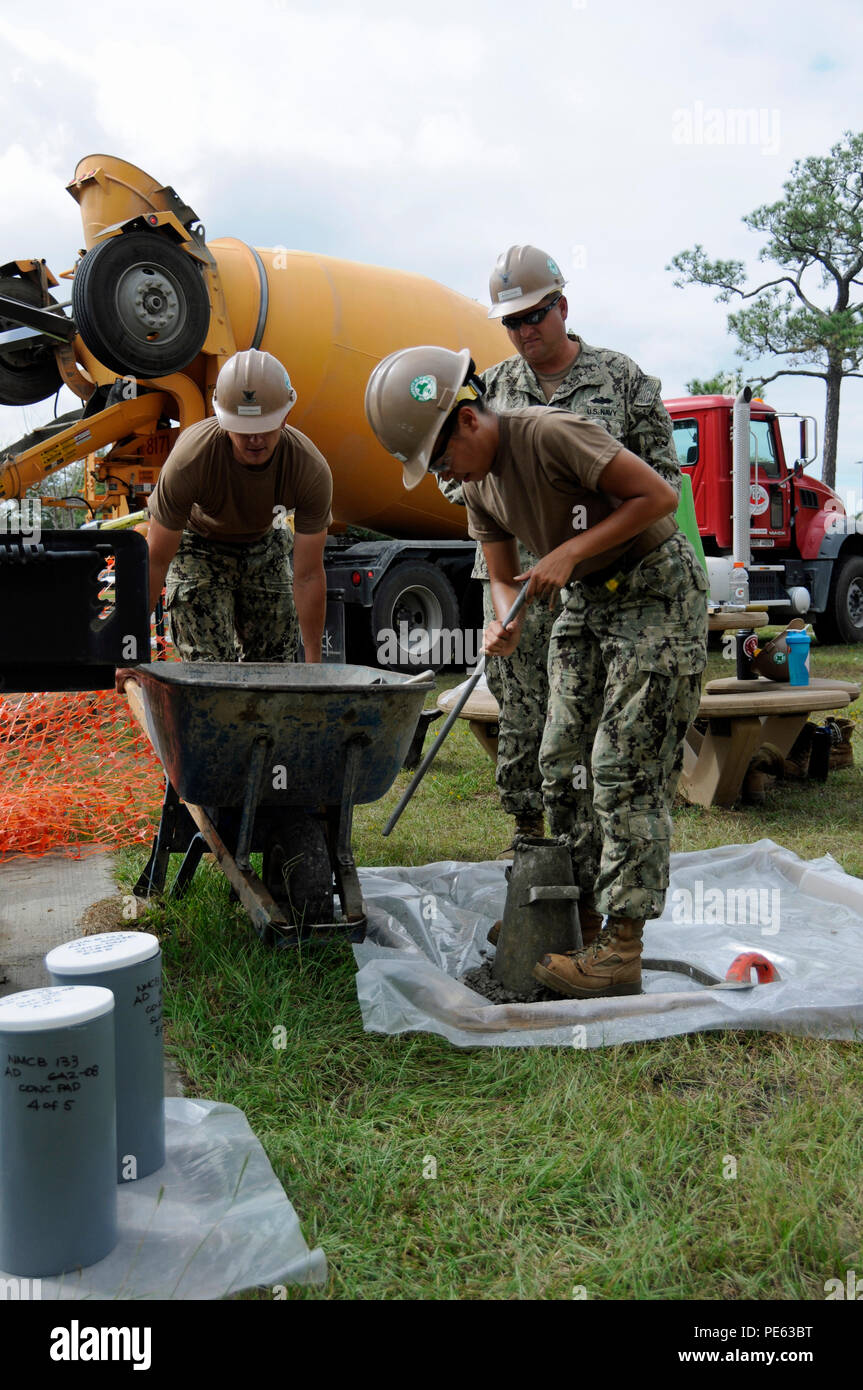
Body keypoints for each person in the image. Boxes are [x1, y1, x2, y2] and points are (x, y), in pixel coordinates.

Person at [365, 346, 708, 999]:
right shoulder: (476, 483)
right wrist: (505, 620)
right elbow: (499, 573)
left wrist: (571, 550)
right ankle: (571, 918)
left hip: (654, 593)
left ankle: (621, 948)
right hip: (587, 602)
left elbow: (658, 496)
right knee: (560, 762)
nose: (442, 472)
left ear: (467, 420)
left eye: (440, 457)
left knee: (622, 767)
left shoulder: (552, 432)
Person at [438, 245, 681, 850]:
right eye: (511, 322)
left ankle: (594, 854)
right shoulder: (488, 391)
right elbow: (457, 481)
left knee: (598, 727)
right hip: (516, 580)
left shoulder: (622, 379)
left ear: (561, 307)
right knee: (526, 719)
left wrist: (577, 540)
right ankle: (532, 852)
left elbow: (660, 483)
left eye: (534, 316)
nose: (524, 331)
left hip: (604, 574)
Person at [146, 349, 332, 662]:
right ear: (222, 418)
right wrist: (126, 651)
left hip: (265, 542)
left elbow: (309, 575)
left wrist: (314, 665)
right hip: (199, 545)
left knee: (275, 668)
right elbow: (155, 560)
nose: (255, 440)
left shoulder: (309, 469)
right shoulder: (190, 459)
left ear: (285, 416)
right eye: (244, 430)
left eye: (265, 427)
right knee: (209, 671)